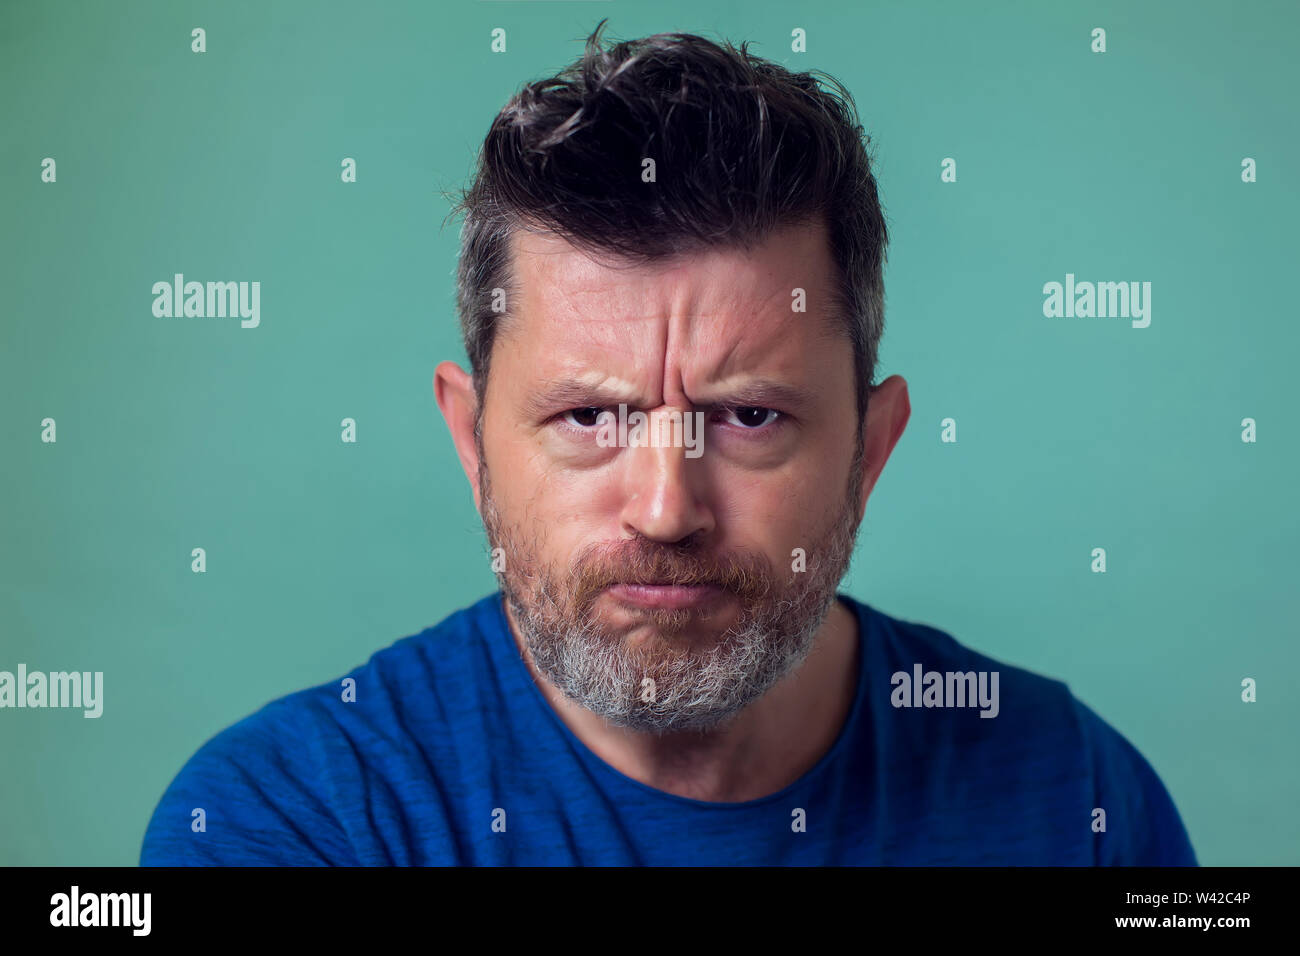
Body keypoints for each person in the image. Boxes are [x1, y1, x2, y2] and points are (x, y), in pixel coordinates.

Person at [141, 20, 1196, 866]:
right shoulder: (291, 823)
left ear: (871, 450)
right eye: (589, 417)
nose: (664, 507)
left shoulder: (1078, 802)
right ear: (471, 440)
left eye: (748, 416)